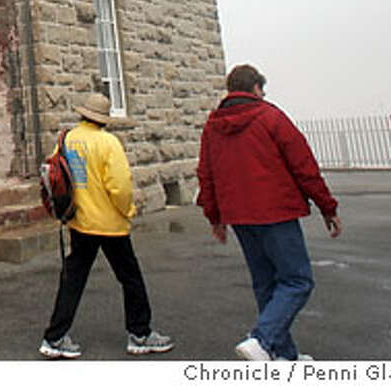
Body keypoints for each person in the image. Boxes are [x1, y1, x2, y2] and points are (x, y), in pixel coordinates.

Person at [196, 64, 343, 362]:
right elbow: (304, 165)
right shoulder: (270, 117)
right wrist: (327, 207)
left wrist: (215, 217)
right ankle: (261, 339)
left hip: (238, 216)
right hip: (276, 212)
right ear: (255, 89)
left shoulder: (213, 125)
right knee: (297, 280)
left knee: (266, 284)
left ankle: (283, 354)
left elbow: (206, 174)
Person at [39, 91, 174, 359]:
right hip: (110, 223)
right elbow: (120, 187)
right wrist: (129, 211)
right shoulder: (108, 143)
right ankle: (140, 333)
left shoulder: (66, 138)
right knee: (130, 278)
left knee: (73, 279)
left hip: (79, 221)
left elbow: (57, 175)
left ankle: (54, 337)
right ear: (103, 118)